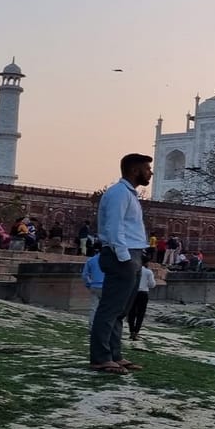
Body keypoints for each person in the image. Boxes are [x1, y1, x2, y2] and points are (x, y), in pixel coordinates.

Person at [89, 153, 152, 375]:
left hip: (131, 255)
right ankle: (101, 358)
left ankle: (114, 355)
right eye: (146, 169)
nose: (150, 173)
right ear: (135, 170)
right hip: (121, 256)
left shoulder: (129, 194)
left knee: (120, 311)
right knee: (110, 309)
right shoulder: (118, 193)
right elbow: (113, 227)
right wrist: (124, 257)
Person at [128, 256, 157, 340]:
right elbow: (152, 284)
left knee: (131, 312)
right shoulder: (148, 272)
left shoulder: (133, 270)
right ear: (146, 263)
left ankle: (131, 331)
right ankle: (136, 332)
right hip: (143, 293)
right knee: (141, 313)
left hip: (133, 292)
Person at [81, 252, 105, 329]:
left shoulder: (91, 260)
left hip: (94, 285)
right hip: (106, 286)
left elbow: (85, 275)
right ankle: (102, 326)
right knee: (105, 308)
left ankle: (91, 326)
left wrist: (88, 284)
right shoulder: (109, 260)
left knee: (94, 308)